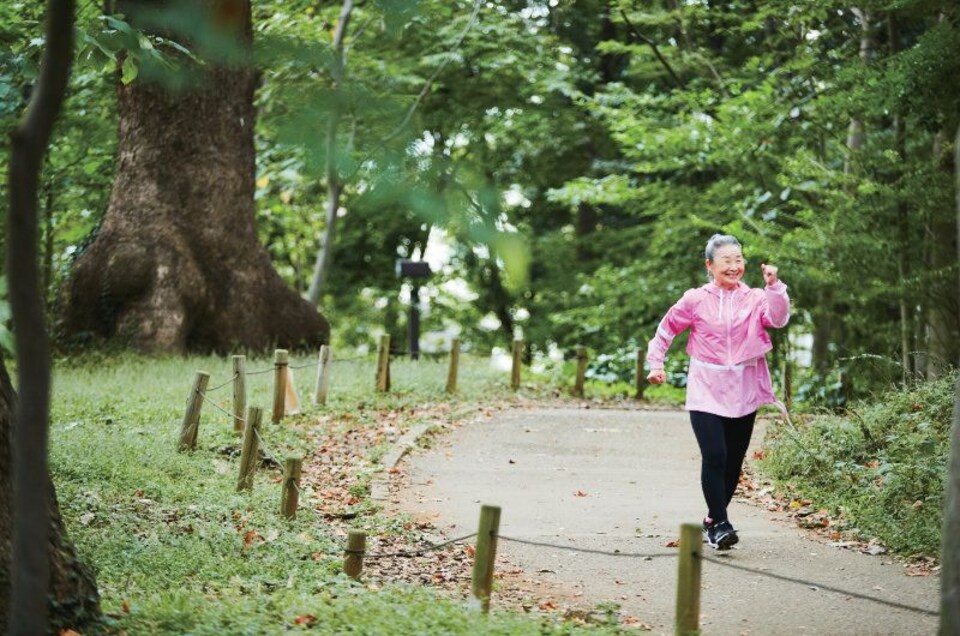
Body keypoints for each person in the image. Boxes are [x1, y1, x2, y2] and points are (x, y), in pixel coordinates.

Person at [646, 234, 790, 550]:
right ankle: (722, 523)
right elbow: (666, 329)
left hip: (744, 391)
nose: (734, 266)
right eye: (726, 261)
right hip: (706, 390)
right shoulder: (695, 299)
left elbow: (777, 319)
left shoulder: (754, 297)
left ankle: (712, 521)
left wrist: (774, 287)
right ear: (710, 265)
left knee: (733, 462)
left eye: (738, 260)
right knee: (715, 455)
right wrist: (656, 363)